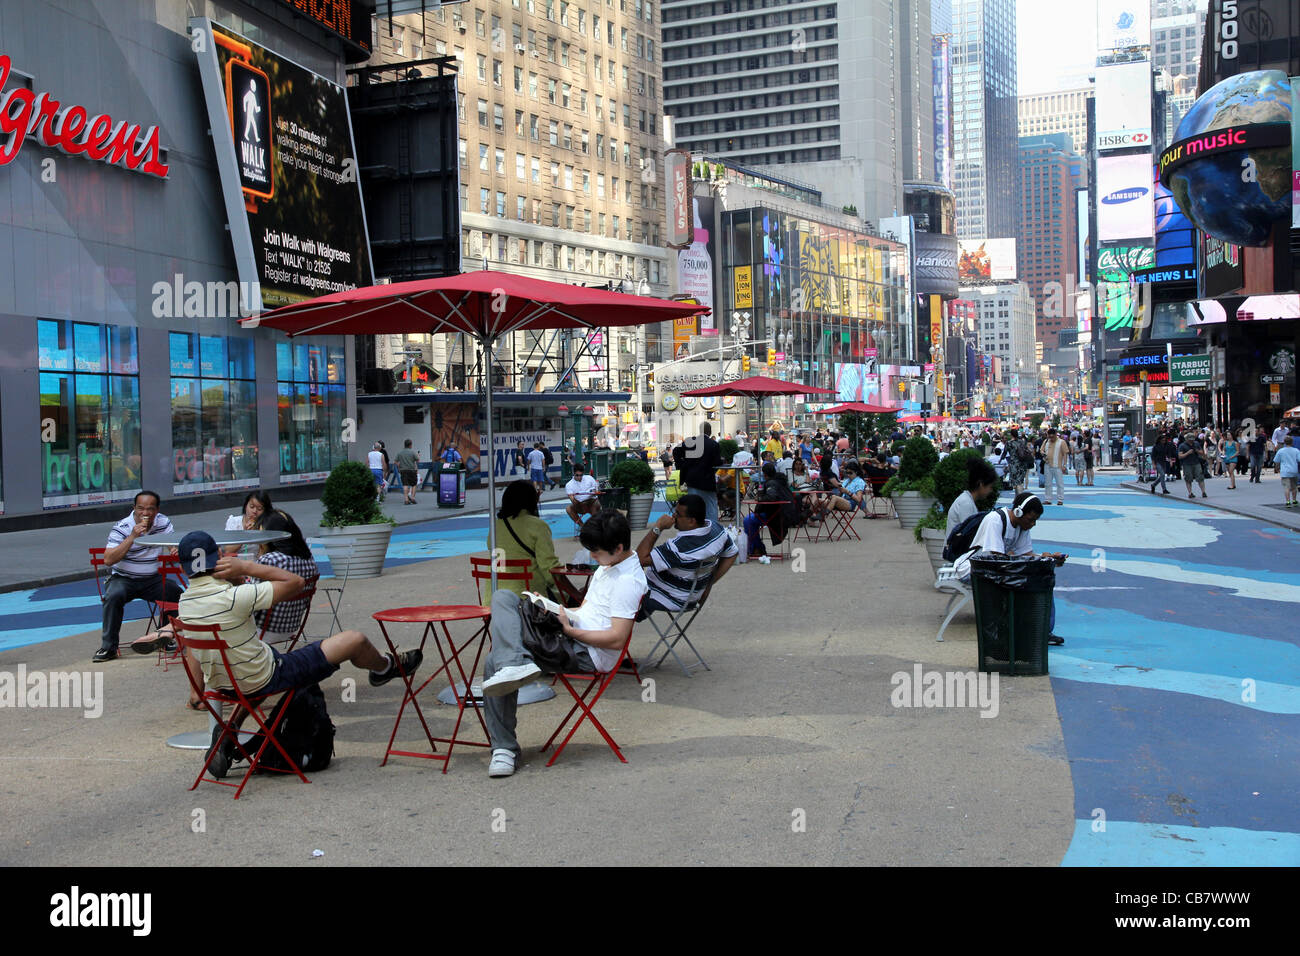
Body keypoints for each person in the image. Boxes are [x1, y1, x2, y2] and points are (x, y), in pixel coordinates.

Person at [175, 531, 421, 779]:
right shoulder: (233, 597)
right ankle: (384, 667)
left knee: (256, 667)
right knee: (354, 640)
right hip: (263, 675)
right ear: (219, 557)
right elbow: (295, 582)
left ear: (184, 567)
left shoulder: (185, 602)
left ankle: (230, 733)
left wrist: (235, 580)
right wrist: (247, 566)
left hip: (225, 683)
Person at [478, 510, 647, 778]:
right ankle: (515, 663)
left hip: (587, 652)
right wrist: (554, 609)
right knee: (503, 598)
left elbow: (616, 640)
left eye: (596, 551)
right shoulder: (609, 566)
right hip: (571, 632)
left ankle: (504, 749)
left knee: (493, 661)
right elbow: (587, 610)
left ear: (617, 548)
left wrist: (570, 630)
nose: (592, 556)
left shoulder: (628, 582)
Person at [952, 492, 1066, 646]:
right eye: (1031, 520)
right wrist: (1025, 560)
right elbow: (997, 558)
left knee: (1043, 578)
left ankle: (1043, 631)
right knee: (1024, 584)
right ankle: (1023, 631)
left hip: (994, 571)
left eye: (1035, 521)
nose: (1033, 524)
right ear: (1018, 512)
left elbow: (1025, 554)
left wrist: (1048, 559)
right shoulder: (996, 520)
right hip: (972, 569)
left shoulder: (1022, 527)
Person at [94, 491, 182, 663]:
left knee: (175, 592)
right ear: (134, 508)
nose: (145, 513)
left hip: (151, 579)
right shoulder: (122, 527)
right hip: (123, 578)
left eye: (150, 509)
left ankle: (165, 636)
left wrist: (174, 549)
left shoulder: (163, 522)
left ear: (157, 510)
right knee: (113, 596)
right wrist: (132, 537)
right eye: (140, 509)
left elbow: (172, 544)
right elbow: (108, 559)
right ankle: (108, 647)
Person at [635, 493, 738, 614]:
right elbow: (732, 553)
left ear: (691, 521)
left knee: (622, 575)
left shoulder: (679, 547)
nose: (674, 516)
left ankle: (625, 621)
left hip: (670, 598)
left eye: (678, 514)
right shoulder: (717, 530)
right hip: (692, 596)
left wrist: (658, 527)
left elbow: (639, 559)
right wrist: (709, 583)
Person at [251, 510, 319, 645]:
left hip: (263, 631)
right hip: (290, 629)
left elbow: (252, 601)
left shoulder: (270, 560)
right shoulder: (308, 558)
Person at [492, 480, 564, 599]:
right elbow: (549, 567)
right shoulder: (538, 526)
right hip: (529, 597)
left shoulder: (495, 527)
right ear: (531, 501)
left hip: (494, 595)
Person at [676, 423, 723, 524]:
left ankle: (694, 528)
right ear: (710, 431)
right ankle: (712, 528)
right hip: (707, 480)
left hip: (692, 479)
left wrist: (682, 464)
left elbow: (676, 451)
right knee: (711, 506)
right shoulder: (714, 444)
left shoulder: (690, 442)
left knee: (693, 506)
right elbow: (717, 463)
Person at [946, 457, 999, 534]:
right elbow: (970, 534)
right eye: (990, 487)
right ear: (981, 484)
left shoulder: (967, 500)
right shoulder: (966, 503)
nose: (990, 490)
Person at [223, 490, 273, 555]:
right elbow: (228, 550)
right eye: (252, 507)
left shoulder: (267, 524)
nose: (254, 511)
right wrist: (244, 534)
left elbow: (265, 553)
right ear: (246, 505)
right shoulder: (233, 521)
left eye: (259, 509)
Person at [564, 461, 601, 533]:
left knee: (596, 504)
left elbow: (596, 490)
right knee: (568, 508)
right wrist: (577, 502)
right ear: (574, 473)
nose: (579, 477)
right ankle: (583, 527)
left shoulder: (589, 478)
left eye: (581, 475)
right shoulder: (569, 485)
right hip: (580, 504)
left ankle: (595, 526)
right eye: (577, 475)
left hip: (592, 502)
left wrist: (594, 492)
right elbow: (572, 499)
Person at [1041, 428, 1069, 506]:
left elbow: (1065, 454)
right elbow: (1041, 450)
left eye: (1053, 437)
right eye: (1050, 437)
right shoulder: (1046, 441)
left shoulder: (1061, 442)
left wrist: (1064, 465)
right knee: (1047, 483)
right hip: (1047, 465)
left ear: (1056, 434)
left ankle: (1060, 499)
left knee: (1059, 483)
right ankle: (1048, 499)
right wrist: (1043, 453)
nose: (1051, 438)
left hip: (1058, 466)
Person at [1178, 430, 1208, 499]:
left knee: (1200, 477)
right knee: (1188, 478)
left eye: (1192, 439)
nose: (1191, 441)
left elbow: (1202, 452)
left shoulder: (1196, 443)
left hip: (1196, 463)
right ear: (1187, 439)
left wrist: (1197, 450)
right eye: (1190, 440)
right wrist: (1187, 453)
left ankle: (1203, 492)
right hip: (1187, 464)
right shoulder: (1182, 446)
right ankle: (1190, 493)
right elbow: (1180, 456)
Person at [1275, 436, 1300, 507]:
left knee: (1286, 487)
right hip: (1294, 471)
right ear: (1292, 443)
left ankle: (1288, 502)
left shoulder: (1281, 451)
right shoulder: (1296, 450)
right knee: (1294, 487)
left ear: (1284, 443)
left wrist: (1277, 468)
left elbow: (1277, 461)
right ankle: (1294, 500)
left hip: (1285, 471)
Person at [1150, 431, 1176, 495]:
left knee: (1162, 475)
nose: (1163, 441)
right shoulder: (1156, 446)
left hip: (1163, 462)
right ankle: (1164, 489)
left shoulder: (1167, 446)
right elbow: (1153, 456)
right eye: (1162, 440)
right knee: (1162, 475)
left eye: (1164, 440)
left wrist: (1170, 461)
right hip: (1157, 462)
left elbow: (1168, 454)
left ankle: (1153, 485)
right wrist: (1153, 464)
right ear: (1159, 440)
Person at [395, 439, 421, 505]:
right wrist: (418, 456)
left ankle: (406, 499)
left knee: (405, 484)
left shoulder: (400, 453)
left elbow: (395, 461)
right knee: (414, 484)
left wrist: (399, 466)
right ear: (410, 445)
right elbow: (418, 461)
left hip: (403, 470)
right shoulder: (412, 452)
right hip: (411, 470)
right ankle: (412, 498)